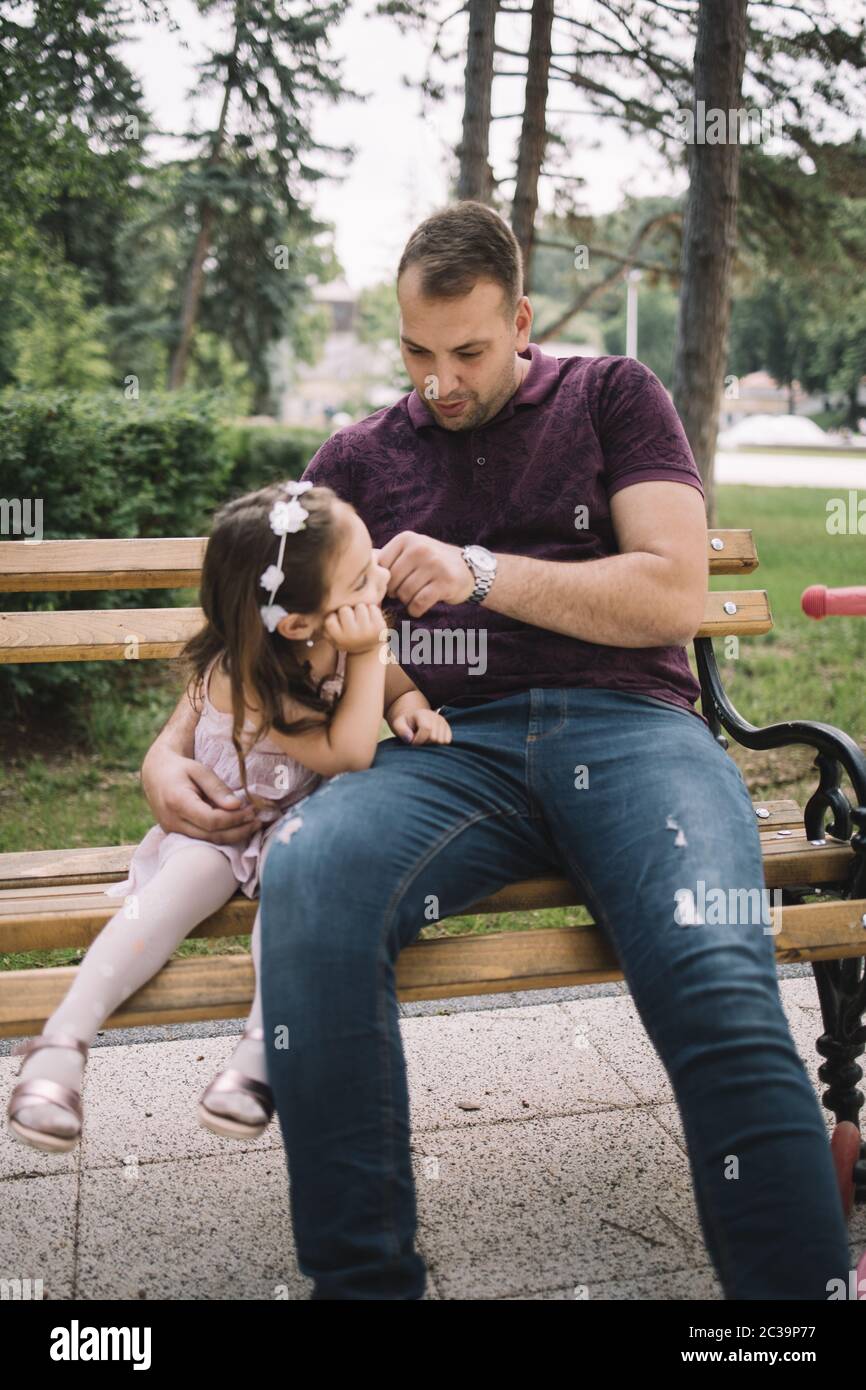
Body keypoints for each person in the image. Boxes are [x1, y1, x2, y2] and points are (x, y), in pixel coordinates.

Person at [138, 201, 853, 1300]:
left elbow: (670, 588)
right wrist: (169, 744)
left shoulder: (612, 396)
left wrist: (478, 571)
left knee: (715, 964)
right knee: (314, 874)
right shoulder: (356, 460)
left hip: (633, 735)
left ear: (519, 319)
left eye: (467, 351)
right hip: (440, 751)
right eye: (416, 353)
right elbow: (255, 610)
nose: (440, 383)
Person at [6, 479, 450, 1153]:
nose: (381, 579)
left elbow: (387, 689)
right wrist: (366, 654)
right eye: (364, 576)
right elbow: (349, 754)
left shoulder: (336, 632)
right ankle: (60, 1046)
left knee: (296, 895)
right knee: (165, 903)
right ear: (297, 623)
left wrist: (409, 703)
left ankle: (255, 1061)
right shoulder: (246, 677)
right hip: (223, 821)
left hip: (296, 830)